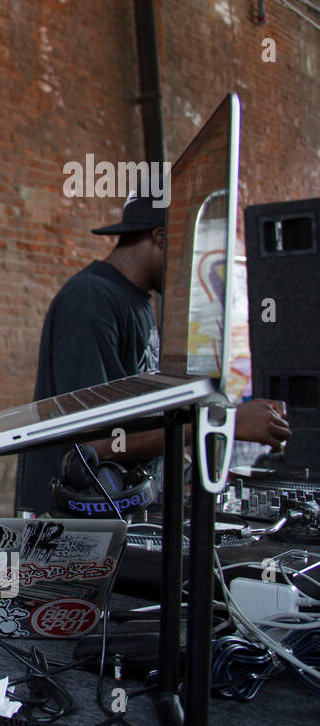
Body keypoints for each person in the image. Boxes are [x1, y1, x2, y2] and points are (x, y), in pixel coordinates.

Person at [15, 194, 290, 516]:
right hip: (74, 519)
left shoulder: (138, 301)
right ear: (160, 236)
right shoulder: (90, 301)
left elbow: (135, 413)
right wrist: (220, 422)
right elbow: (98, 444)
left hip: (117, 505)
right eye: (191, 252)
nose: (193, 266)